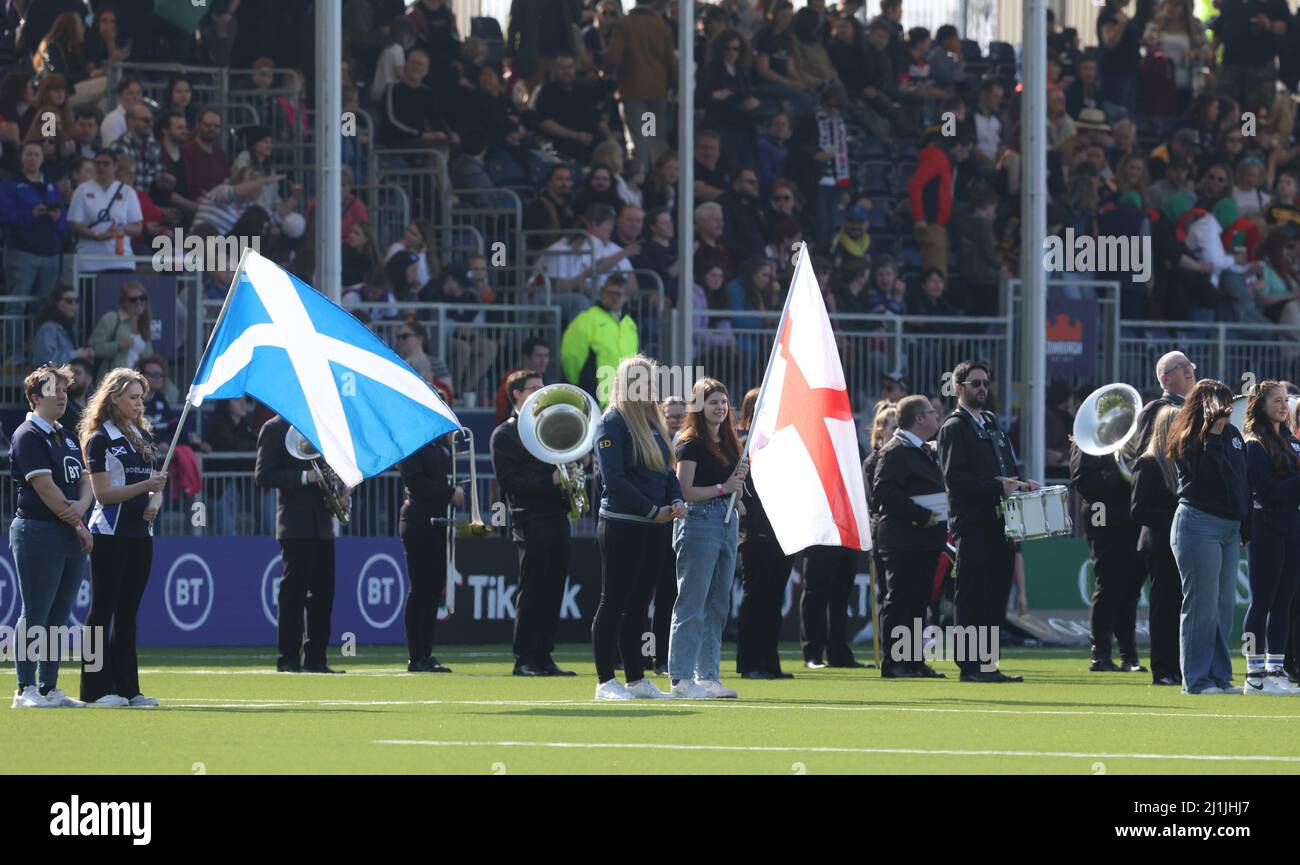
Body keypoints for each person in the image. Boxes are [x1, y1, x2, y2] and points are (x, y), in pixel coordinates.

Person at [937, 360, 1037, 682]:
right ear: (958, 388)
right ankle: (970, 666)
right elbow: (955, 482)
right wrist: (998, 487)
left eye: (985, 382)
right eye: (975, 383)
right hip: (975, 523)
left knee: (995, 596)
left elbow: (1007, 468)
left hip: (1001, 524)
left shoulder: (992, 422)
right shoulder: (954, 427)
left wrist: (1022, 485)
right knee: (973, 596)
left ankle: (989, 664)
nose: (982, 388)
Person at [590, 356, 683, 700]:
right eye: (644, 381)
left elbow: (667, 471)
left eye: (653, 381)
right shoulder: (611, 422)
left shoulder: (653, 421)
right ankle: (605, 681)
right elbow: (613, 480)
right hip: (623, 526)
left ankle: (636, 677)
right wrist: (650, 509)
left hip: (656, 526)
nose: (651, 387)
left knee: (640, 605)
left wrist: (676, 501)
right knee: (613, 602)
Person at [78, 367, 167, 708]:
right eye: (132, 398)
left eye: (141, 398)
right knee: (103, 609)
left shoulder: (142, 437)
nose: (138, 404)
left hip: (140, 534)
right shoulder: (100, 438)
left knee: (128, 612)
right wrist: (146, 488)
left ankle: (129, 689)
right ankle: (95, 690)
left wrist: (155, 500)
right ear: (113, 398)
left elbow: (156, 483)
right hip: (110, 534)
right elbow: (103, 494)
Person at [8, 365, 95, 709]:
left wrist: (83, 509)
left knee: (59, 614)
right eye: (52, 390)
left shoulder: (67, 435)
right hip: (39, 530)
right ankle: (24, 689)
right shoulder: (28, 434)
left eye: (63, 390)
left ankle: (49, 687)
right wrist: (79, 523)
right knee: (36, 611)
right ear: (34, 398)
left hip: (67, 530)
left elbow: (84, 479)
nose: (61, 396)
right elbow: (45, 488)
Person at [490, 370, 578, 677]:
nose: (542, 392)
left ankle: (544, 655)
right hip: (530, 518)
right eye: (535, 388)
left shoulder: (549, 428)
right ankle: (525, 657)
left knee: (555, 588)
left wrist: (572, 468)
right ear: (516, 394)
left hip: (557, 515)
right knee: (533, 588)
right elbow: (510, 481)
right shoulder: (505, 434)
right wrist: (550, 479)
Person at [1168, 378, 1249, 695]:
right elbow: (1206, 476)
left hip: (1229, 526)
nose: (1227, 408)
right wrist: (1212, 435)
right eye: (1220, 402)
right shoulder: (1189, 437)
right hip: (1199, 523)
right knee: (1201, 605)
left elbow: (1242, 479)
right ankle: (1197, 679)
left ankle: (1219, 675)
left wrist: (1247, 522)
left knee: (1223, 606)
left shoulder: (1233, 434)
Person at [668, 377, 748, 698]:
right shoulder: (690, 442)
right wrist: (722, 489)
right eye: (713, 402)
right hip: (698, 521)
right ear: (699, 406)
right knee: (692, 601)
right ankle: (681, 678)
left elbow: (732, 489)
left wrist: (736, 488)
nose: (720, 407)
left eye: (724, 402)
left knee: (718, 602)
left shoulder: (729, 441)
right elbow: (684, 490)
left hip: (726, 520)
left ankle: (708, 676)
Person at [256, 415, 350, 674]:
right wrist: (306, 477)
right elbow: (263, 475)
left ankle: (316, 659)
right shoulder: (273, 428)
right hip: (295, 525)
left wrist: (341, 489)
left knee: (323, 595)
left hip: (323, 525)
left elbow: (331, 467)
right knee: (293, 595)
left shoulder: (319, 424)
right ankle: (288, 659)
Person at [872, 394, 948, 678]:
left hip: (924, 540)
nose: (936, 416)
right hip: (903, 539)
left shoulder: (922, 449)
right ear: (918, 418)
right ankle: (894, 662)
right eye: (931, 412)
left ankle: (913, 660)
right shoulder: (896, 450)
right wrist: (921, 514)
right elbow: (884, 494)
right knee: (900, 599)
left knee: (917, 599)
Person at [1071, 408, 1146, 674]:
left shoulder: (1129, 443)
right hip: (1104, 520)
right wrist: (1121, 473)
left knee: (1131, 589)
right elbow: (1083, 482)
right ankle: (1100, 654)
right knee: (1110, 585)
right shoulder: (1088, 441)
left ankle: (1129, 655)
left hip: (1131, 519)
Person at [1241, 381, 1300, 694]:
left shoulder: (1290, 441)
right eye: (1276, 400)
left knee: (1283, 601)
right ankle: (1254, 673)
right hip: (1266, 526)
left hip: (1292, 526)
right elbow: (1267, 491)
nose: (1283, 405)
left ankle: (1275, 670)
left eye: (1285, 400)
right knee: (1261, 601)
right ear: (1260, 404)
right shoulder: (1254, 444)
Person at [398, 432, 461, 673]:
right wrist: (449, 494)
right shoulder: (411, 442)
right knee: (421, 587)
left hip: (437, 521)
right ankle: (416, 656)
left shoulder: (438, 445)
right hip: (418, 521)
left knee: (433, 588)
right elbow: (415, 482)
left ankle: (426, 652)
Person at [1130, 404, 1183, 686]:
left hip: (1179, 545)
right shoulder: (1149, 462)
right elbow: (1138, 510)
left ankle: (1177, 666)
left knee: (1179, 607)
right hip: (1159, 546)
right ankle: (1162, 668)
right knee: (1164, 609)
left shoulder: (1181, 461)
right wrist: (1176, 517)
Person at [0, 140, 66, 303]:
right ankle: (14, 331)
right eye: (28, 154)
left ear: (42, 158)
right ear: (21, 158)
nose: (32, 158)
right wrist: (30, 214)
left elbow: (63, 220)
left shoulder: (52, 186)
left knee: (46, 305)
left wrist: (57, 218)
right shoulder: (9, 185)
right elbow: (4, 214)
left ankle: (42, 330)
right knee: (17, 304)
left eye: (36, 154)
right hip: (21, 252)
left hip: (50, 253)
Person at [650, 395, 687, 675]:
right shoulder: (654, 443)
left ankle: (661, 658)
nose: (675, 419)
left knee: (668, 597)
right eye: (670, 415)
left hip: (679, 528)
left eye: (680, 415)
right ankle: (628, 655)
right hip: (653, 525)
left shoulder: (689, 445)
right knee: (634, 596)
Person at [560, 273, 638, 406]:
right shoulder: (587, 319)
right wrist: (582, 386)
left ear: (625, 297)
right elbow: (570, 356)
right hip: (594, 397)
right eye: (610, 293)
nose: (614, 298)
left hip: (623, 399)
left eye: (619, 294)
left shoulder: (629, 323)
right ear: (602, 293)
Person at [67, 148, 143, 274]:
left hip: (120, 261)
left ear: (115, 166)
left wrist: (118, 229)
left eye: (106, 163)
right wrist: (96, 235)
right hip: (89, 261)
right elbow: (74, 223)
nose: (101, 167)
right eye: (98, 163)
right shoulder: (82, 190)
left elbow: (137, 227)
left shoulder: (128, 192)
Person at [88, 281, 152, 380]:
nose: (139, 302)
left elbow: (149, 358)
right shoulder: (111, 318)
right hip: (114, 383)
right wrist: (118, 345)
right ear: (124, 302)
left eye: (142, 298)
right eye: (133, 299)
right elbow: (93, 348)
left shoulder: (145, 325)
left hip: (136, 383)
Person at [1134, 350, 1196, 454]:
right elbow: (1144, 458)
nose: (1188, 369)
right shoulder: (1155, 410)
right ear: (1166, 379)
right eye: (1180, 366)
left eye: (1189, 364)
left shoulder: (1199, 407)